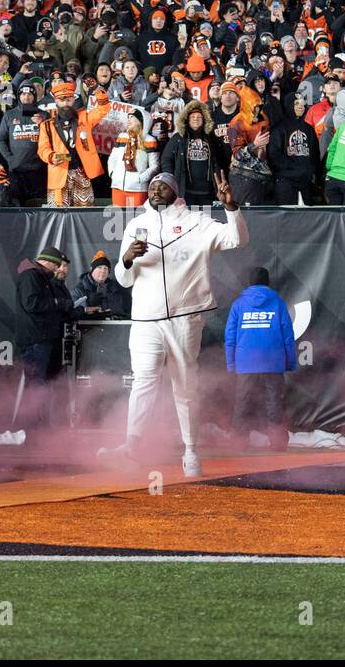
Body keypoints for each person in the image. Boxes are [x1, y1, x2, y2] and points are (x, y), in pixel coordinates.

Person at [97, 171, 247, 478]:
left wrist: (232, 208)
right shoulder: (137, 225)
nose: (155, 190)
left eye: (162, 185)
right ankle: (131, 447)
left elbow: (237, 239)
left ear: (175, 192)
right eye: (152, 186)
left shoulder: (196, 222)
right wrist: (125, 259)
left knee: (184, 386)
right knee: (143, 381)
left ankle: (191, 452)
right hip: (145, 318)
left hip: (185, 316)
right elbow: (124, 280)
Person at [224, 267, 296, 452]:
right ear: (268, 282)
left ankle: (239, 443)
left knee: (243, 402)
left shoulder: (238, 305)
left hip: (245, 362)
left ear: (249, 283)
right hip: (273, 362)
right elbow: (288, 335)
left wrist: (231, 363)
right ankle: (278, 444)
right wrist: (290, 361)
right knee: (275, 403)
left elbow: (230, 337)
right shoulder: (278, 304)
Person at [14, 246, 76, 432]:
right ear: (48, 262)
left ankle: (38, 428)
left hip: (42, 338)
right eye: (56, 265)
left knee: (40, 385)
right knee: (36, 386)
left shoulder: (40, 277)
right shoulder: (31, 276)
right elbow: (31, 303)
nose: (58, 270)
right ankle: (32, 430)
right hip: (35, 340)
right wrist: (58, 303)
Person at [38, 81, 112, 206]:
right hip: (59, 173)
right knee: (58, 215)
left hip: (82, 172)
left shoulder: (84, 118)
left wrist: (98, 90)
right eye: (62, 100)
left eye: (69, 99)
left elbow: (103, 108)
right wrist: (52, 156)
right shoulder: (47, 125)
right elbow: (43, 148)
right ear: (56, 101)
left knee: (85, 213)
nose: (66, 103)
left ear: (73, 100)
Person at [268, 92, 322, 205]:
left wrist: (308, 170)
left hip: (305, 181)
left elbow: (315, 155)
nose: (300, 106)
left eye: (302, 104)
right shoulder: (279, 128)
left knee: (307, 218)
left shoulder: (309, 129)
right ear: (289, 105)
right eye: (296, 103)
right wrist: (292, 168)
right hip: (285, 181)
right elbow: (274, 155)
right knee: (287, 218)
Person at [106, 109, 159, 208]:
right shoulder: (122, 137)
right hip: (117, 187)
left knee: (137, 220)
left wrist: (140, 179)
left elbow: (154, 166)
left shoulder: (149, 140)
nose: (128, 120)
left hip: (137, 189)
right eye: (128, 117)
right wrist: (113, 174)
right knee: (119, 220)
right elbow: (112, 158)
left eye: (132, 117)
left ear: (141, 120)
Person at [71, 251, 131, 319]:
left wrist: (115, 316)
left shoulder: (117, 290)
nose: (103, 271)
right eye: (99, 267)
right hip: (89, 329)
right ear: (92, 269)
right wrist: (88, 305)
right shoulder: (79, 290)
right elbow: (72, 313)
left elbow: (127, 313)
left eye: (105, 268)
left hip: (114, 328)